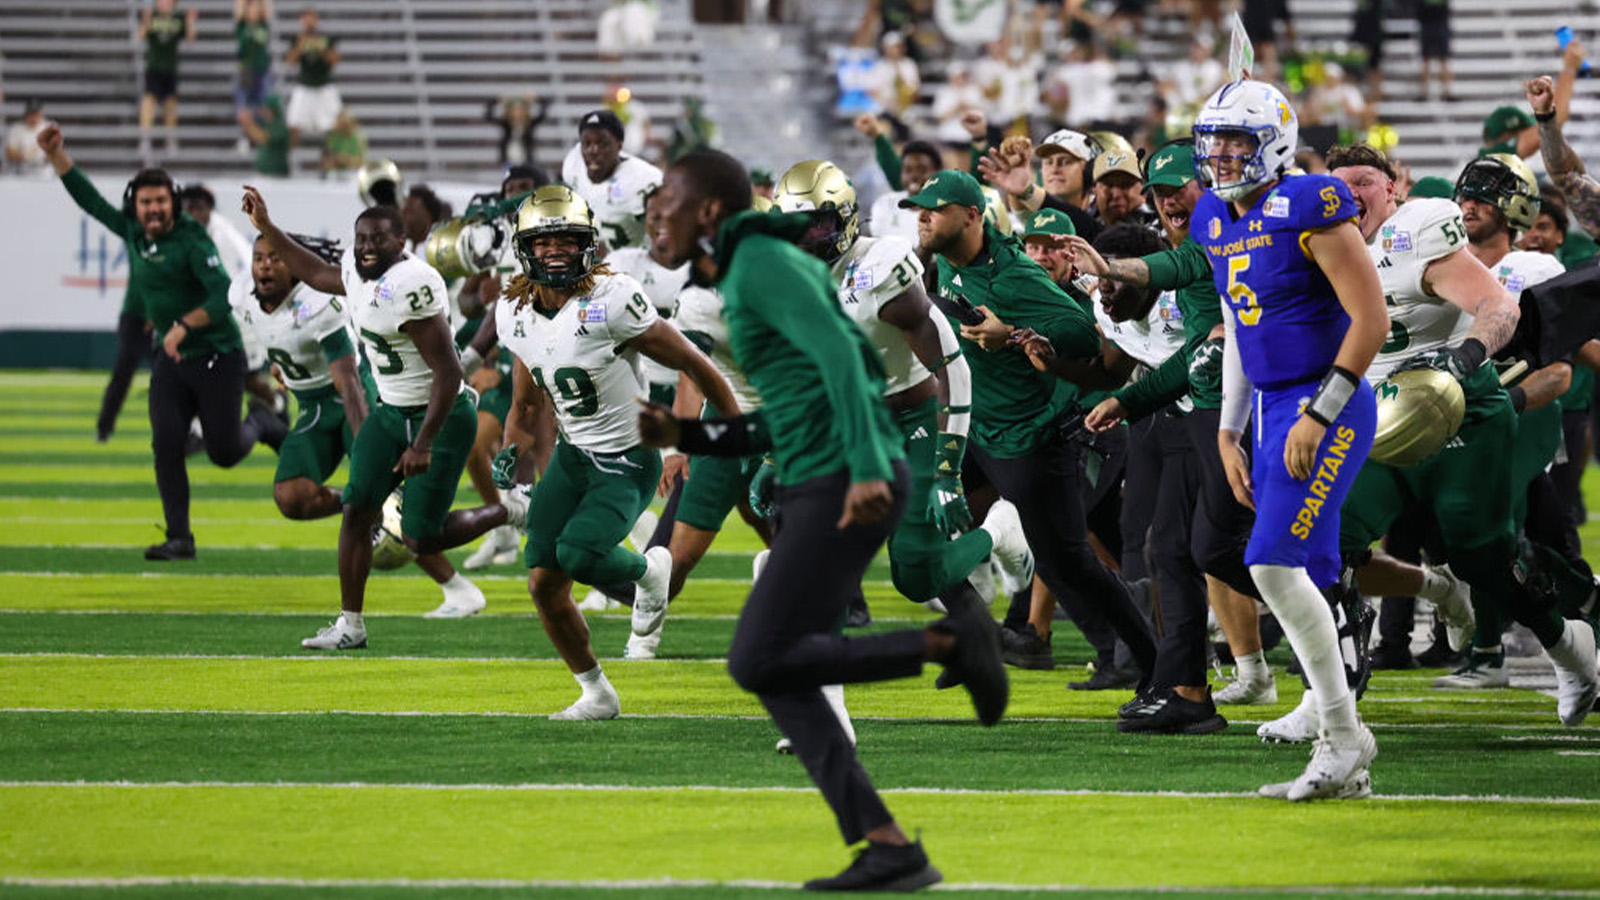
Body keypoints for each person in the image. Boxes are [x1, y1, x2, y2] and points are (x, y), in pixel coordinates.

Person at [641, 148, 1006, 892]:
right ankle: (888, 843)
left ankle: (950, 638)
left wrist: (872, 464)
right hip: (821, 469)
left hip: (844, 473)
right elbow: (782, 416)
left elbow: (849, 359)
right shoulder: (742, 270)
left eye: (667, 200)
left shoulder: (758, 265)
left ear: (709, 210)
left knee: (758, 659)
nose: (653, 215)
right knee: (776, 670)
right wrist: (689, 438)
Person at [1189, 80, 1388, 799]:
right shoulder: (1213, 216)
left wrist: (1318, 413)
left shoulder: (1311, 201)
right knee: (1318, 569)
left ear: (1271, 140)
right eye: (1212, 141)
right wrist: (1227, 427)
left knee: (1270, 564)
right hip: (1272, 407)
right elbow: (1242, 325)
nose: (1220, 156)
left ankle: (1343, 737)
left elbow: (1372, 321)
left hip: (1325, 399)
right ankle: (1342, 741)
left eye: (1236, 141)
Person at [911, 168, 1159, 702]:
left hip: (1028, 439)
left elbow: (1081, 333)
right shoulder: (949, 265)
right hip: (977, 427)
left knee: (1072, 565)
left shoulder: (1013, 276)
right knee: (915, 528)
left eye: (934, 208)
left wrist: (1016, 335)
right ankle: (976, 635)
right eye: (919, 209)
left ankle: (1158, 668)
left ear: (972, 216)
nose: (923, 217)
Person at [241, 185, 527, 644]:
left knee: (421, 536)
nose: (368, 248)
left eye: (379, 240)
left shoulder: (411, 284)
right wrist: (267, 227)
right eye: (362, 239)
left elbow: (450, 373)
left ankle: (507, 510)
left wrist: (423, 443)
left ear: (400, 243)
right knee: (357, 508)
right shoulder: (356, 269)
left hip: (441, 416)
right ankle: (350, 625)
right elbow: (315, 272)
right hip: (391, 412)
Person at [492, 184, 739, 710]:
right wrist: (510, 453)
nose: (554, 250)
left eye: (566, 239)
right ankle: (596, 692)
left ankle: (651, 572)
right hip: (574, 457)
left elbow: (696, 364)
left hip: (628, 459)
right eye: (542, 242)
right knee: (542, 581)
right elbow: (527, 402)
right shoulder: (513, 310)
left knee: (578, 552)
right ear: (523, 249)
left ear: (588, 243)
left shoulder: (612, 299)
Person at [40, 124, 285, 559]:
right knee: (167, 442)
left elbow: (222, 295)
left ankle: (262, 422)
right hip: (171, 360)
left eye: (159, 201)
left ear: (172, 201)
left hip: (216, 356)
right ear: (136, 205)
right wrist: (58, 156)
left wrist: (183, 325)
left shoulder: (192, 239)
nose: (152, 209)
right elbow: (90, 201)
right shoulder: (134, 230)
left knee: (225, 452)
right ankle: (180, 538)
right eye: (145, 202)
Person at [560, 109, 663, 250]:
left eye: (602, 144)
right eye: (587, 143)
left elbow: (667, 228)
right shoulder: (574, 163)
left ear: (619, 146)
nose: (593, 150)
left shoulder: (643, 179)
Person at [137, 0, 197, 162]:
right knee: (149, 101)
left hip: (170, 67)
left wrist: (191, 22)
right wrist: (146, 21)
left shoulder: (178, 18)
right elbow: (141, 35)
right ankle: (145, 139)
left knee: (171, 105)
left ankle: (171, 141)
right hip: (154, 66)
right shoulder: (152, 15)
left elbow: (191, 39)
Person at [285, 8, 341, 151]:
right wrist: (301, 45)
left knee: (334, 125)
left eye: (312, 18)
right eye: (306, 18)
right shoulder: (297, 39)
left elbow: (335, 60)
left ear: (317, 21)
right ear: (302, 21)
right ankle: (288, 158)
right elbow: (290, 61)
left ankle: (333, 157)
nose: (309, 22)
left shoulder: (326, 39)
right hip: (305, 85)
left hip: (324, 85)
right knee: (293, 123)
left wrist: (320, 48)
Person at [233, 0, 274, 153]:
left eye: (257, 8)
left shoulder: (264, 25)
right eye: (251, 8)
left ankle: (258, 140)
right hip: (246, 71)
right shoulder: (242, 25)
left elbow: (268, 8)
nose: (254, 11)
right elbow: (238, 8)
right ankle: (248, 138)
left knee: (263, 108)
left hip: (262, 72)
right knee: (243, 110)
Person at [484, 94, 550, 168]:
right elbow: (488, 116)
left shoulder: (530, 125)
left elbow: (543, 113)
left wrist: (537, 99)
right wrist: (496, 100)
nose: (517, 114)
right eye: (514, 110)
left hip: (526, 162)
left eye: (520, 110)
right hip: (508, 162)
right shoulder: (506, 125)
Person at [240, 94, 291, 178]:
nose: (263, 111)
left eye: (266, 108)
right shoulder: (266, 124)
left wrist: (249, 124)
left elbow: (263, 138)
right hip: (264, 172)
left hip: (276, 174)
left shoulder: (279, 125)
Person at [5, 99, 50, 176]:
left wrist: (41, 159)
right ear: (26, 115)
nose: (33, 117)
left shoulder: (50, 128)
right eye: (31, 114)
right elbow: (10, 153)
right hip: (22, 171)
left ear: (40, 114)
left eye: (35, 114)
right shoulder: (17, 129)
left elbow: (56, 152)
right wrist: (23, 157)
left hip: (44, 173)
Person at [321, 109, 367, 177]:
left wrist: (345, 159)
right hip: (335, 174)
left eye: (346, 123)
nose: (344, 125)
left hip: (353, 174)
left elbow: (360, 162)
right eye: (341, 122)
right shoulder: (332, 137)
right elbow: (327, 159)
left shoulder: (359, 138)